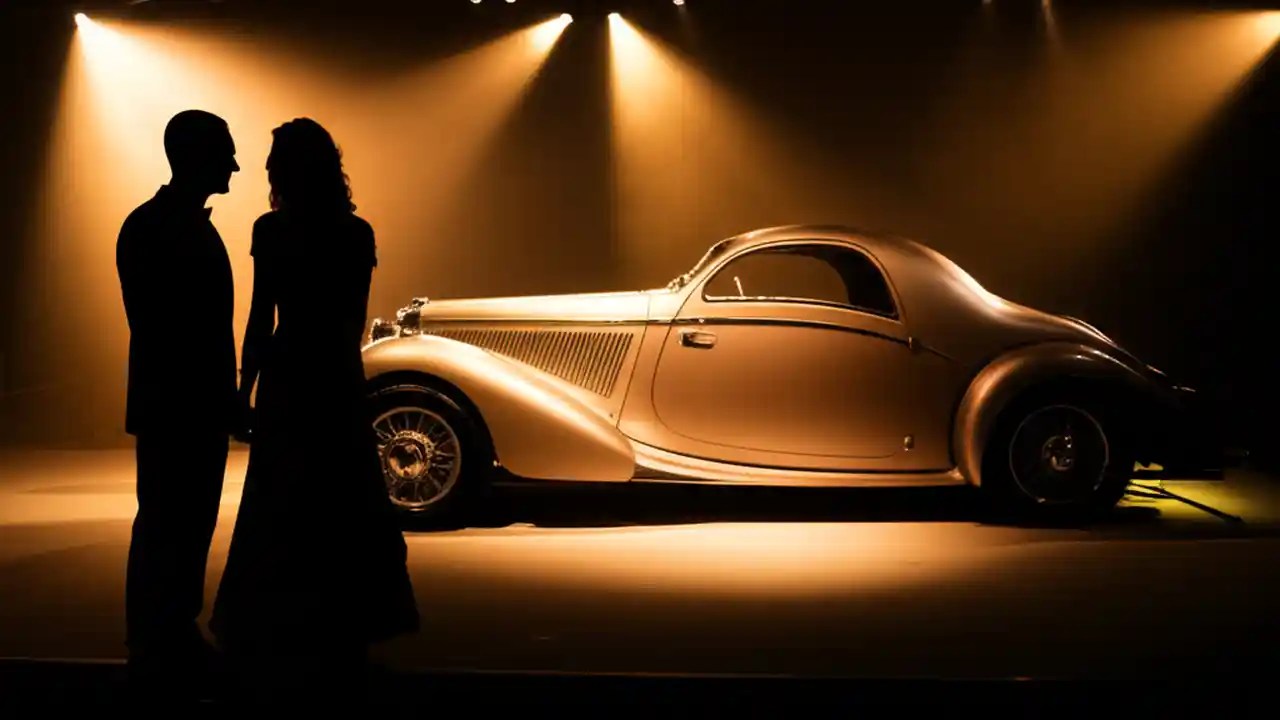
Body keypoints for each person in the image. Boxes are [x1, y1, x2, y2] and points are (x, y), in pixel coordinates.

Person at [209, 117, 419, 701]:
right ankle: (344, 621)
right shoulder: (356, 233)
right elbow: (351, 320)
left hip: (288, 377)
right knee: (344, 499)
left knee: (278, 500)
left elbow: (261, 318)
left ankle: (276, 619)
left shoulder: (271, 230)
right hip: (334, 377)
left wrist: (244, 390)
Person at [115, 109, 240, 695]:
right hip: (184, 404)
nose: (235, 165)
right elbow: (185, 331)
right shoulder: (172, 229)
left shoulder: (147, 225)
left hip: (172, 402)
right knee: (177, 520)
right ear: (197, 156)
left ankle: (160, 632)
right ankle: (160, 635)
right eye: (225, 153)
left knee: (171, 519)